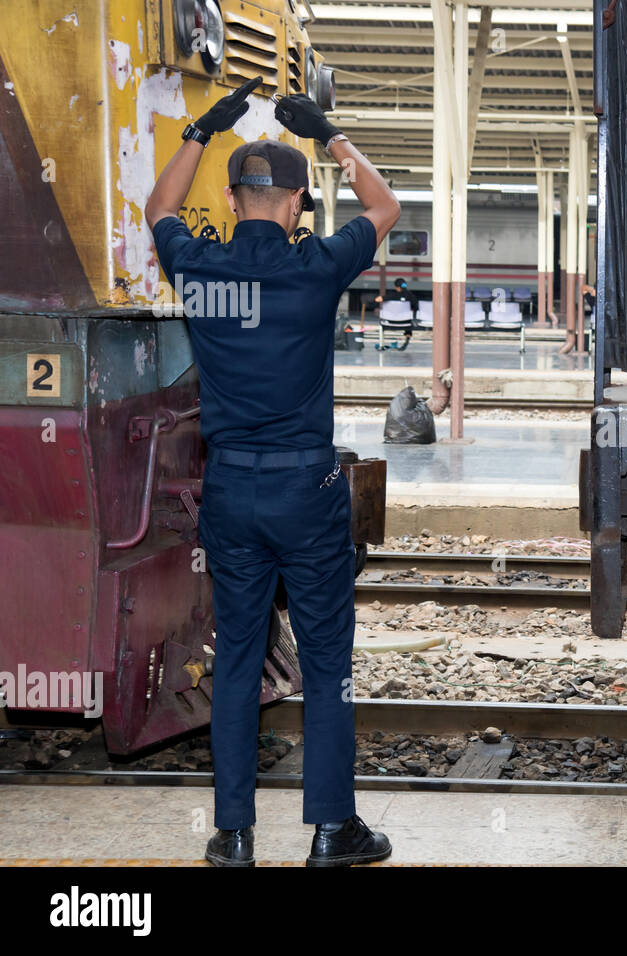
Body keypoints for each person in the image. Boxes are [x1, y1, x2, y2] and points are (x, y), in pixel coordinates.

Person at [145, 78, 402, 867]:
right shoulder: (316, 265)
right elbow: (385, 207)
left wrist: (199, 130)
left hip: (230, 490)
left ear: (230, 202)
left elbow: (157, 208)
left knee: (236, 659)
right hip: (306, 490)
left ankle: (233, 836)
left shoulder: (197, 265)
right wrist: (331, 135)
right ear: (295, 205)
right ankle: (332, 832)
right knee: (325, 660)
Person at [374, 277, 416, 350]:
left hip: (390, 321)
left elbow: (377, 299)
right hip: (405, 322)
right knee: (409, 320)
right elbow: (416, 306)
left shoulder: (392, 295)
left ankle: (382, 344)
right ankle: (407, 338)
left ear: (396, 286)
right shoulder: (410, 295)